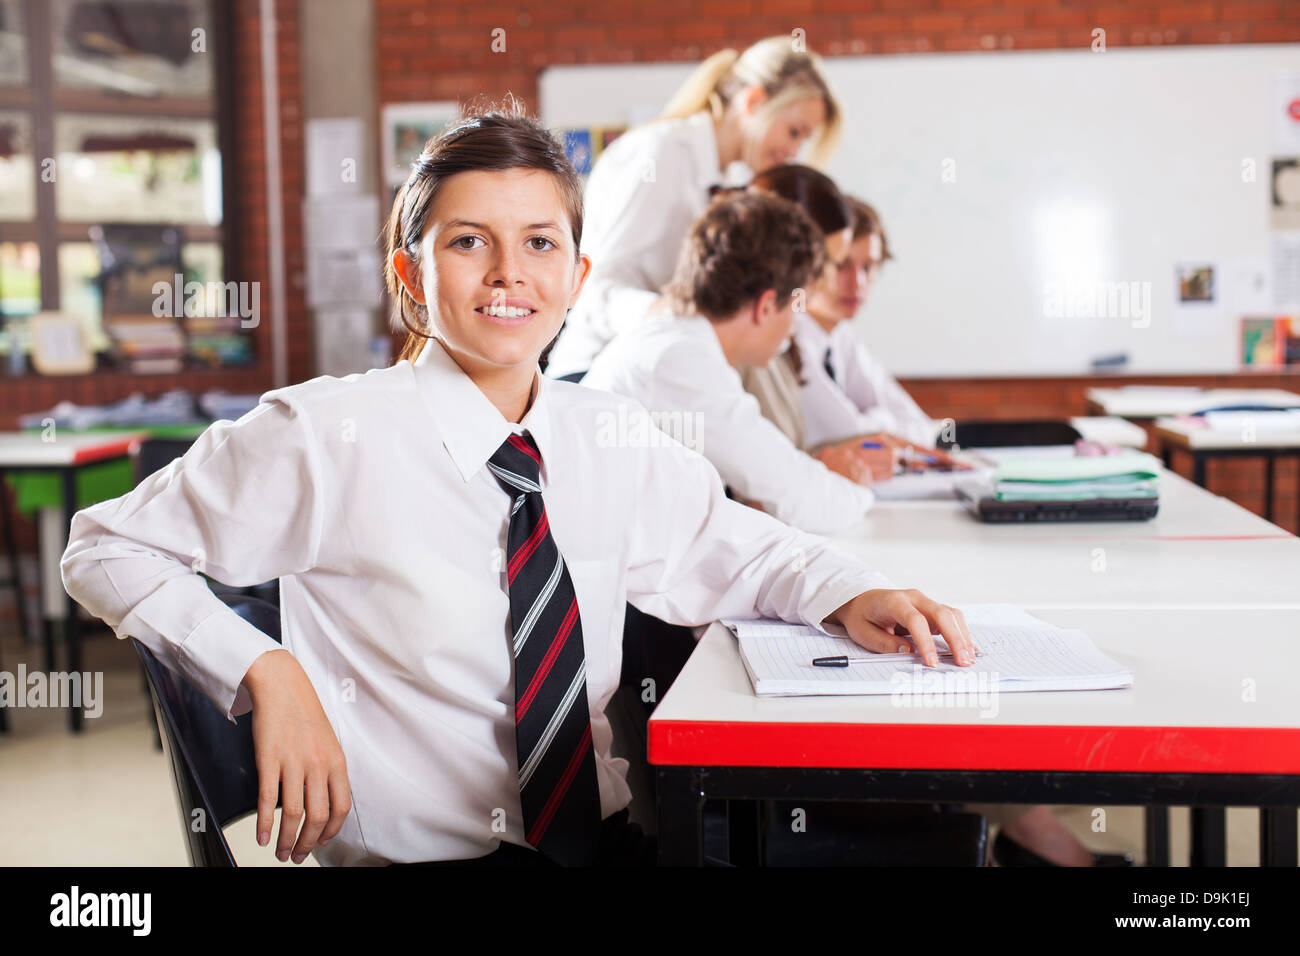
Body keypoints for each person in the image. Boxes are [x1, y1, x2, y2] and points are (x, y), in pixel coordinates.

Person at [61, 102, 976, 867]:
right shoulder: (328, 435)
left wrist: (853, 589)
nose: (508, 273)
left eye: (539, 242)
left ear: (576, 278)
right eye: (467, 242)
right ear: (408, 276)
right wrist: (266, 669)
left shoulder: (606, 436)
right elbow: (103, 543)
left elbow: (737, 548)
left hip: (606, 845)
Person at [544, 36, 842, 379]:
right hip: (594, 372)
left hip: (658, 369)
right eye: (794, 132)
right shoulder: (662, 153)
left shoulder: (732, 176)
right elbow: (597, 287)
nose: (794, 152)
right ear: (755, 101)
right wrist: (679, 316)